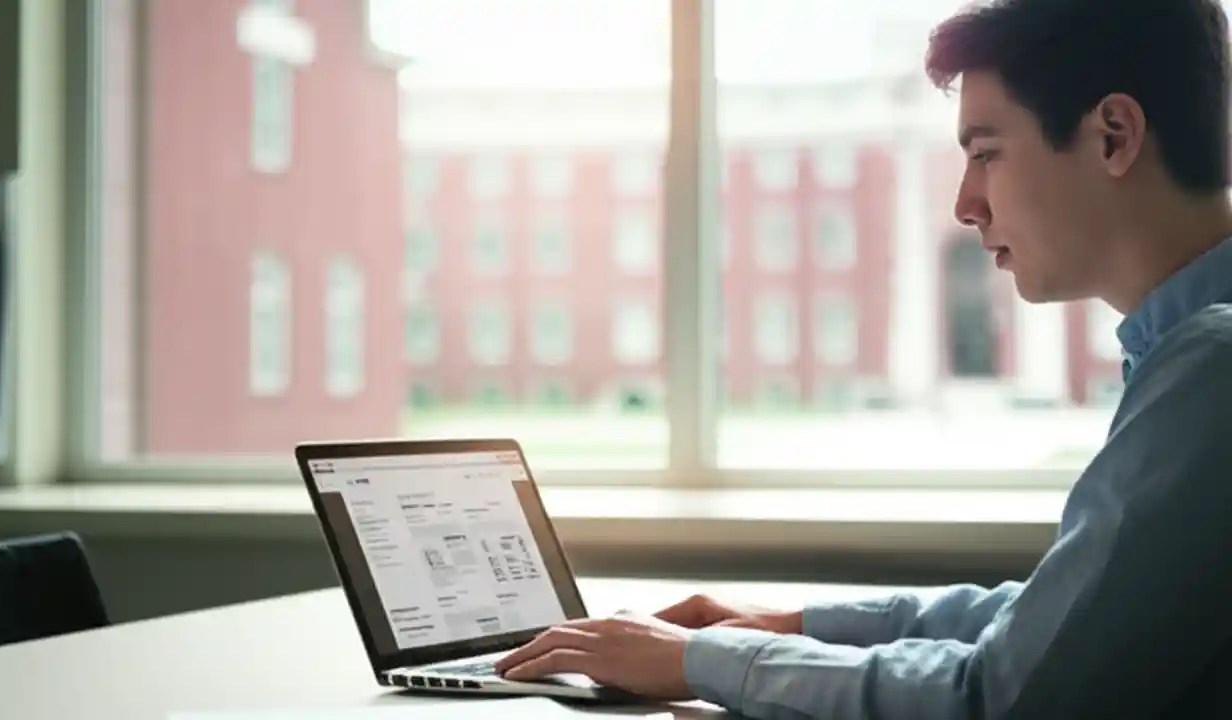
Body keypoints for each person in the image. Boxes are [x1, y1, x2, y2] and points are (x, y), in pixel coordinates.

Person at [494, 0, 1232, 716]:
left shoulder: (1212, 371)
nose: (965, 203)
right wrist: (790, 624)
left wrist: (697, 662)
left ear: (1112, 136)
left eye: (986, 154)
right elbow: (1053, 622)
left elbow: (997, 696)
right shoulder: (1191, 354)